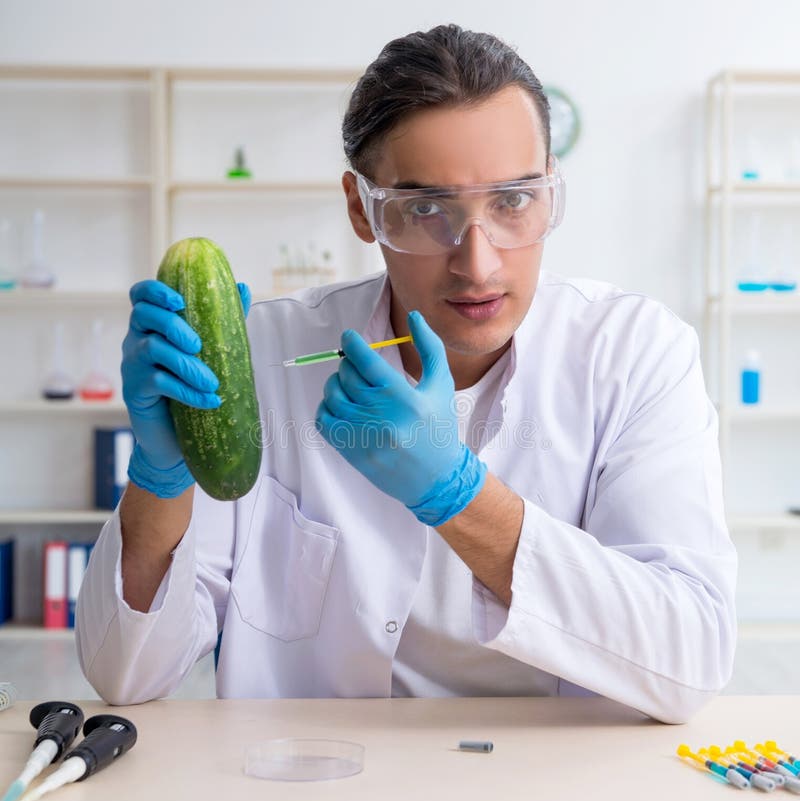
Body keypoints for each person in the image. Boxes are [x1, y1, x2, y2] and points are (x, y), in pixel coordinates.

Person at [76, 24, 737, 724]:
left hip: (550, 798)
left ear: (551, 193)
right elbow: (128, 676)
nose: (477, 263)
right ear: (362, 209)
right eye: (426, 209)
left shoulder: (634, 355)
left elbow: (688, 662)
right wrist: (160, 480)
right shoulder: (266, 354)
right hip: (303, 793)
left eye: (513, 200)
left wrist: (457, 494)